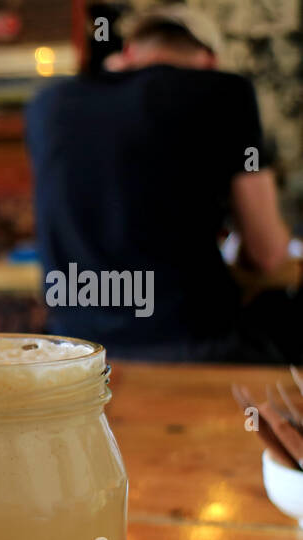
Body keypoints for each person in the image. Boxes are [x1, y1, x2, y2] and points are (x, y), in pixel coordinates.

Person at [25, 5, 298, 362]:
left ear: (127, 54)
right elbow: (268, 254)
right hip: (192, 346)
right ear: (208, 61)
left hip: (72, 353)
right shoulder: (226, 91)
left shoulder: (48, 103)